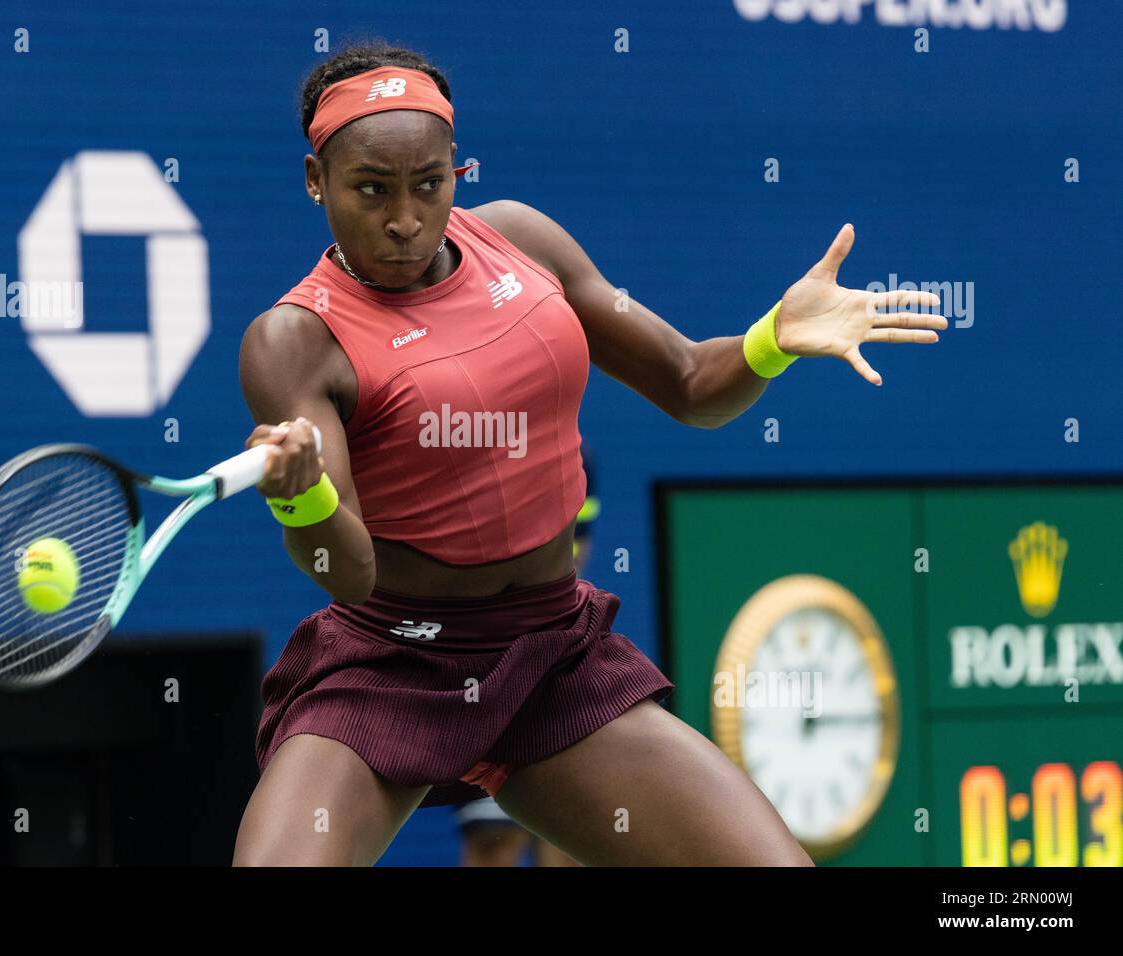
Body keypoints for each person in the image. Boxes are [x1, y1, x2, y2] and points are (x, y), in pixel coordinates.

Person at [231, 42, 944, 867]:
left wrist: (772, 339)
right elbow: (346, 570)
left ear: (459, 170)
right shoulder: (293, 340)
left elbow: (687, 382)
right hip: (394, 659)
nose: (403, 219)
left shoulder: (521, 242)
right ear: (316, 179)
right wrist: (301, 495)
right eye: (370, 189)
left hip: (551, 653)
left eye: (430, 184)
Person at [452, 442, 598, 867]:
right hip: (477, 667)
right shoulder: (459, 449)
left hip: (552, 660)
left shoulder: (577, 458)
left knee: (567, 834)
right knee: (493, 837)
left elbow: (575, 554)